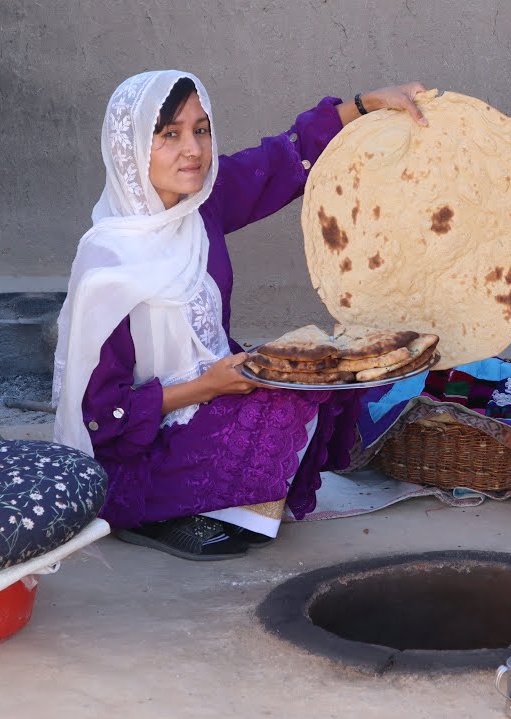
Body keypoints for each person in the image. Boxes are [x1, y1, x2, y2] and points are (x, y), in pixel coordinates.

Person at [51, 71, 428, 561]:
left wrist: (365, 103)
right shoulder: (107, 268)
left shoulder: (201, 208)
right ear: (129, 149)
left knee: (321, 378)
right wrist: (206, 387)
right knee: (278, 409)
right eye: (169, 134)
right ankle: (157, 514)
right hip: (135, 446)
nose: (192, 149)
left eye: (201, 129)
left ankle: (231, 505)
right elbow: (101, 418)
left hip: (213, 394)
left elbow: (281, 160)